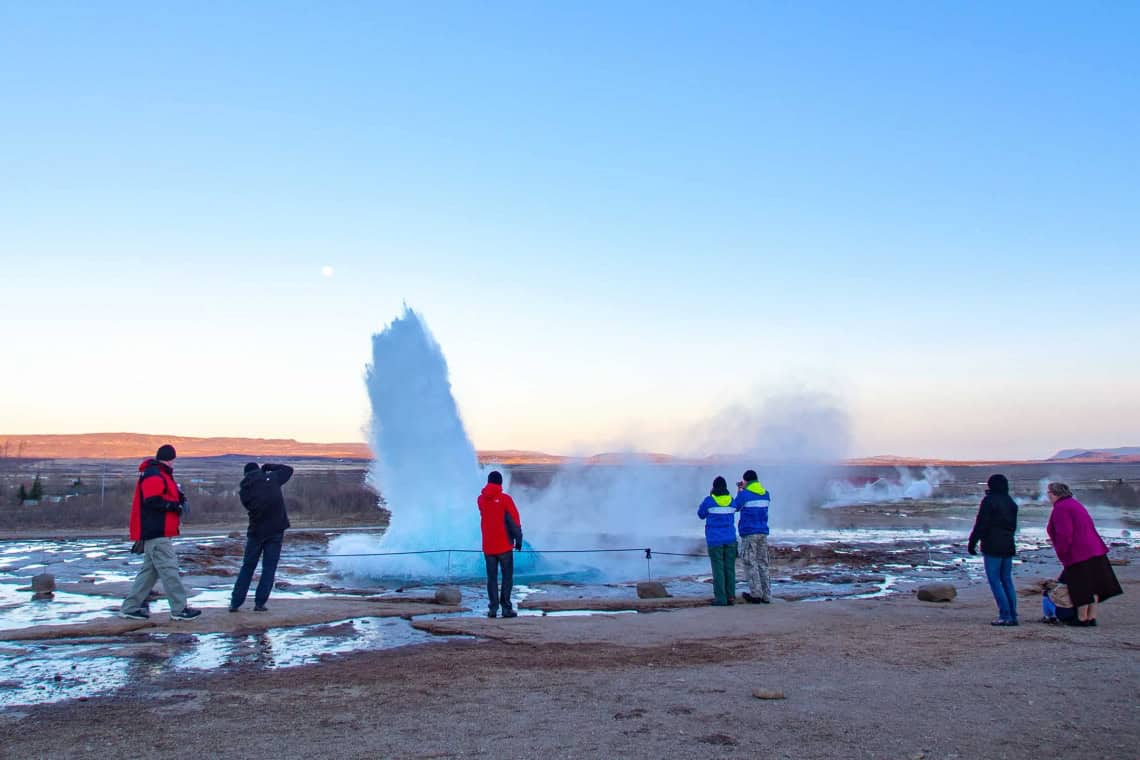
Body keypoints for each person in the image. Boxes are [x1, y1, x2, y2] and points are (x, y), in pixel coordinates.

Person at [120, 444, 202, 621]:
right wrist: (174, 506)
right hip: (157, 530)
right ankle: (179, 609)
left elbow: (166, 494)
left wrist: (179, 498)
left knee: (149, 572)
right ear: (171, 458)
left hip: (157, 530)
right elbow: (152, 500)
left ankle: (130, 607)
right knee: (169, 570)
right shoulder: (154, 474)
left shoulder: (160, 474)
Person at [1046, 482, 1122, 626]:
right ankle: (1091, 617)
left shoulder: (1061, 508)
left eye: (1049, 493)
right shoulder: (1074, 504)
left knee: (1080, 586)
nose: (1048, 496)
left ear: (1054, 494)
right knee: (1094, 585)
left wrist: (1062, 551)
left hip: (1078, 552)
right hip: (1094, 549)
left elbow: (1065, 533)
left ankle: (1081, 618)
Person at [229, 461, 294, 613]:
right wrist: (269, 467)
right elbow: (289, 470)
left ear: (245, 474)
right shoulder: (272, 479)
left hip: (256, 531)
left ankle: (235, 603)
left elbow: (250, 506)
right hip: (276, 530)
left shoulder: (244, 490)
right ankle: (260, 603)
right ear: (258, 470)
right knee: (269, 568)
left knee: (247, 567)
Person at [967, 473, 1019, 626]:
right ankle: (1013, 615)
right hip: (1008, 544)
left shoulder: (989, 501)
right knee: (1007, 580)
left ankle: (1005, 615)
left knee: (995, 580)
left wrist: (972, 542)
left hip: (992, 545)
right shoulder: (1010, 502)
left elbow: (981, 524)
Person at [478, 470, 522, 618]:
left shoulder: (481, 500)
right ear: (500, 483)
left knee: (491, 578)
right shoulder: (505, 499)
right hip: (504, 546)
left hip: (488, 546)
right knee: (507, 577)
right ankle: (506, 608)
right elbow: (514, 521)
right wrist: (518, 539)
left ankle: (492, 608)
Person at [698, 476, 738, 606]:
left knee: (718, 569)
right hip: (731, 539)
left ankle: (721, 598)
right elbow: (736, 507)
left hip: (715, 540)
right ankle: (731, 596)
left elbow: (701, 514)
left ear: (713, 487)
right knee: (730, 568)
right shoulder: (731, 501)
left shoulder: (709, 501)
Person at [733, 469, 771, 604]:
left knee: (750, 563)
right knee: (763, 563)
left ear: (746, 481)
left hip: (749, 532)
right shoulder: (765, 494)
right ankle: (767, 595)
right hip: (763, 532)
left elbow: (736, 506)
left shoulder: (745, 495)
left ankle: (756, 594)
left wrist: (740, 491)